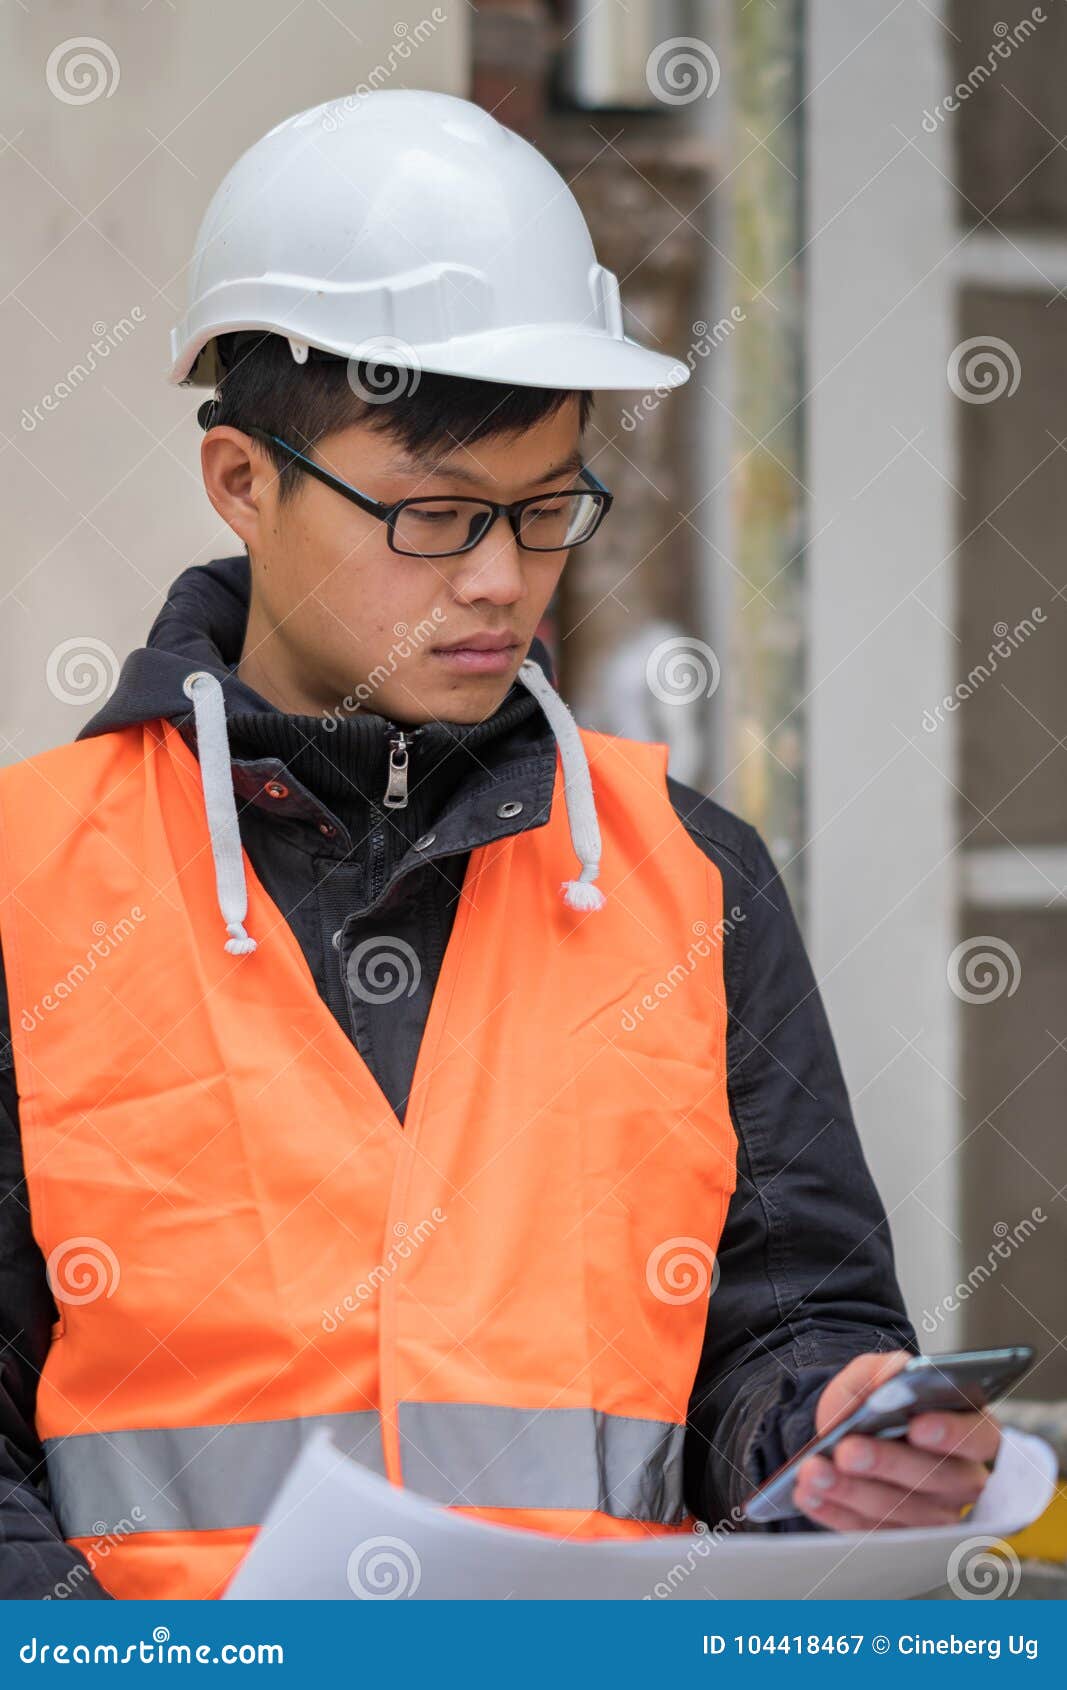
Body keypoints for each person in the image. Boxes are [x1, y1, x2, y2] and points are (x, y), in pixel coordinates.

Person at [0, 89, 999, 1603]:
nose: (499, 581)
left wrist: (834, 1437)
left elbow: (782, 1333)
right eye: (434, 515)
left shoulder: (693, 877)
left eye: (545, 511)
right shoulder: (29, 883)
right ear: (242, 483)